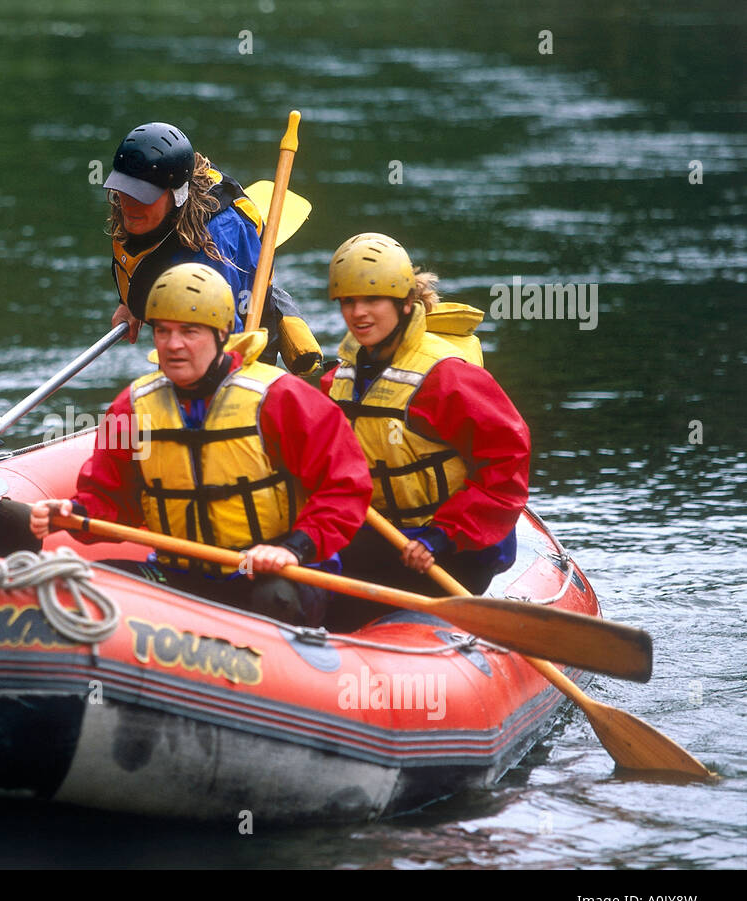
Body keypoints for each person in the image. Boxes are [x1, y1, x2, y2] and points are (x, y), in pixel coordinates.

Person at [31, 263, 371, 626]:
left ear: (223, 332)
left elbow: (344, 489)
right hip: (178, 574)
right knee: (92, 588)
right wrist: (72, 513)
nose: (173, 345)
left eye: (189, 331)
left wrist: (292, 549)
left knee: (274, 600)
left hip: (273, 573)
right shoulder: (129, 407)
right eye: (163, 331)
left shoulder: (283, 399)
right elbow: (111, 498)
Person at [319, 233, 531, 630]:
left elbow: (506, 467)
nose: (358, 313)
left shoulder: (448, 377)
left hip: (454, 548)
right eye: (348, 301)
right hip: (386, 537)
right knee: (311, 589)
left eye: (372, 300)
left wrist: (441, 536)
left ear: (405, 302)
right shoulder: (339, 379)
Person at [102, 121, 318, 372]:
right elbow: (144, 260)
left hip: (233, 355)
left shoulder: (212, 246)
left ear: (177, 195)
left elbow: (227, 342)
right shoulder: (128, 211)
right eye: (125, 190)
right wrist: (131, 303)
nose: (130, 205)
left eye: (143, 196)